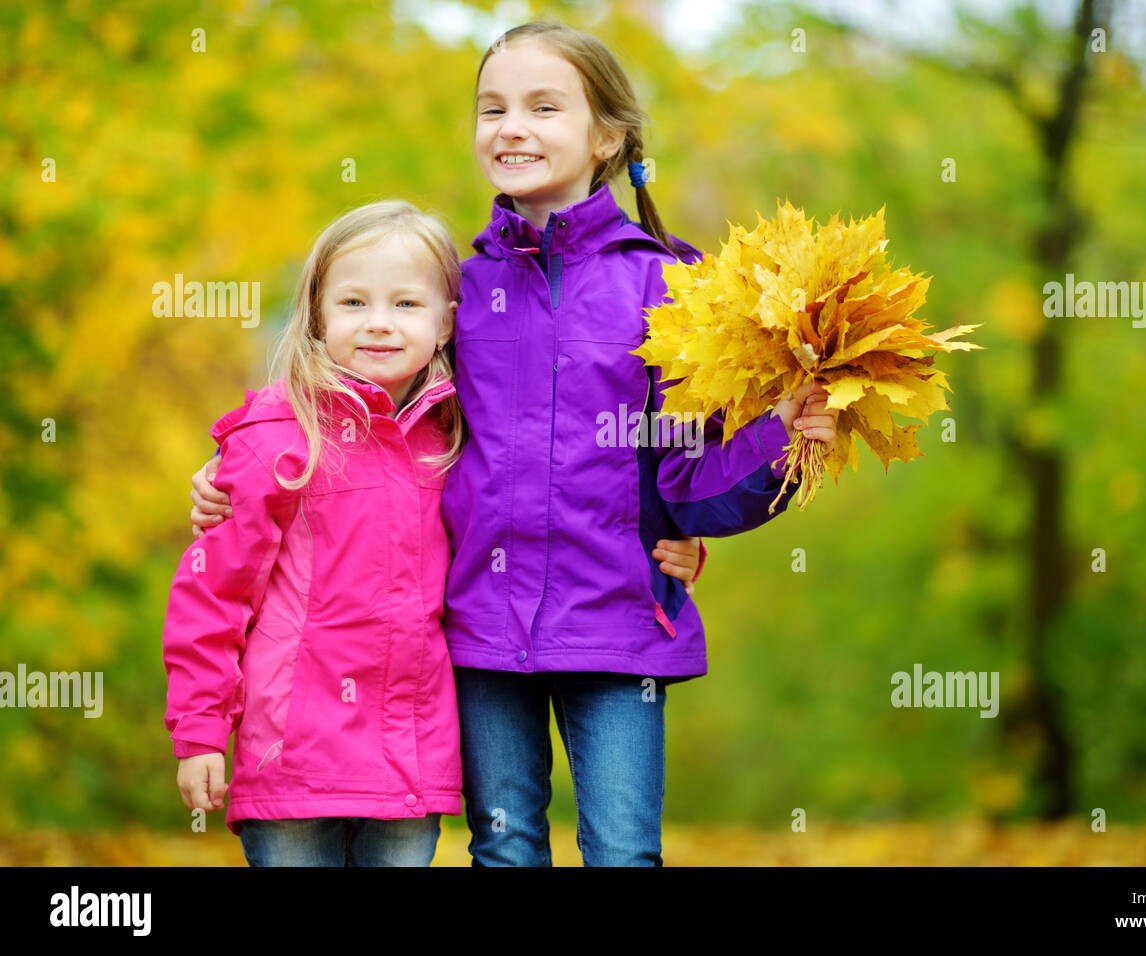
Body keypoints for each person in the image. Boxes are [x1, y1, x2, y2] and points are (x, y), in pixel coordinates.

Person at [189, 20, 838, 866]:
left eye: (542, 107)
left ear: (608, 136)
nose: (511, 127)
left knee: (624, 849)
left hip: (618, 625)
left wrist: (778, 438)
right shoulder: (460, 288)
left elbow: (685, 476)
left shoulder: (667, 286)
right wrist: (234, 460)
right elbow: (367, 409)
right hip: (480, 627)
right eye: (491, 108)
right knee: (505, 848)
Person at [164, 200, 465, 866]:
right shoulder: (275, 438)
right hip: (290, 757)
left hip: (410, 763)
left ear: (446, 321)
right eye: (354, 303)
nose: (379, 324)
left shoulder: (460, 439)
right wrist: (201, 731)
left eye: (406, 305)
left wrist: (672, 534)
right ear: (318, 316)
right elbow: (212, 595)